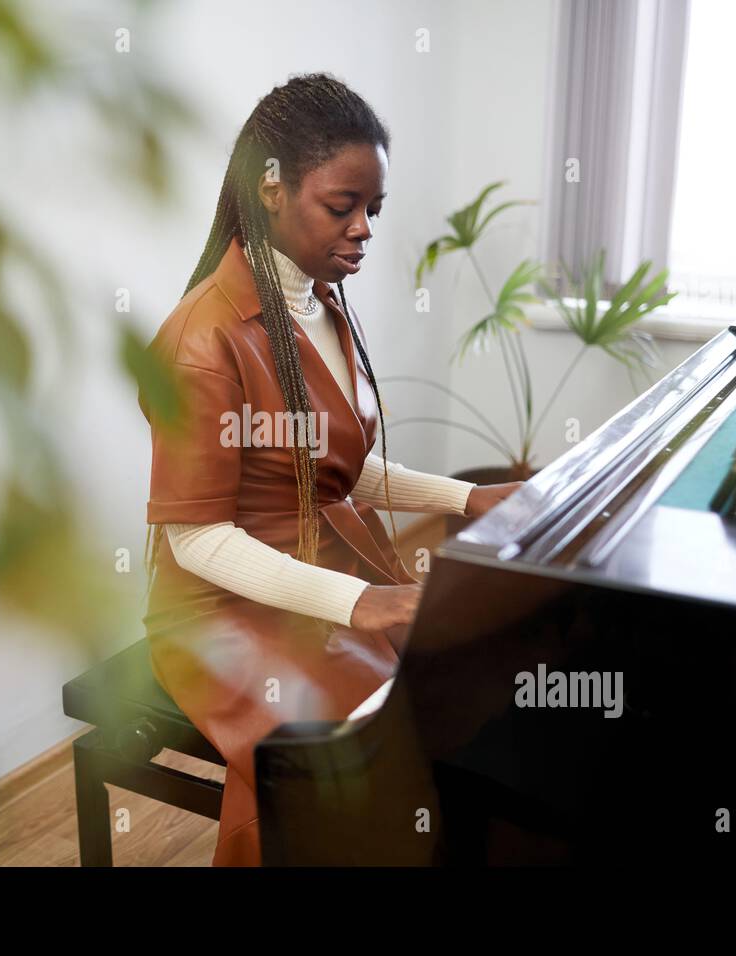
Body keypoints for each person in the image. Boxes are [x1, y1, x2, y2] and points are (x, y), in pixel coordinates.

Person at [137, 72, 521, 866]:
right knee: (350, 760)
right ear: (271, 189)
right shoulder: (204, 339)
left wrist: (468, 497)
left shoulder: (318, 299)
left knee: (450, 704)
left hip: (326, 568)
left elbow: (339, 466)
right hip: (222, 613)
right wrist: (363, 603)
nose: (363, 230)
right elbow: (197, 540)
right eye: (341, 206)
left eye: (372, 210)